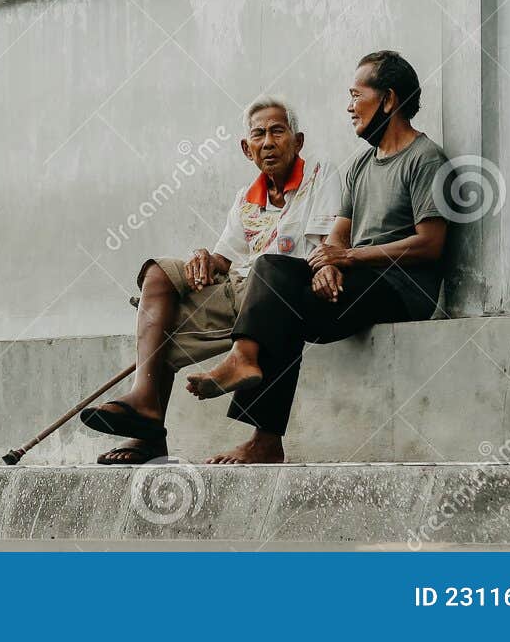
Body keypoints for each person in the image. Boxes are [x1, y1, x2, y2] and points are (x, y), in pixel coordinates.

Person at [185, 50, 451, 464]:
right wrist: (327, 265)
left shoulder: (424, 159)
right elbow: (338, 237)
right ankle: (266, 438)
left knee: (274, 276)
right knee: (273, 276)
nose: (349, 107)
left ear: (388, 99)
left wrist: (348, 259)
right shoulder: (360, 166)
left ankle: (244, 365)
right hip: (357, 282)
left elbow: (430, 245)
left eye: (355, 95)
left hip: (402, 289)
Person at [78, 97, 339, 464]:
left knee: (258, 270)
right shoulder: (245, 199)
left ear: (298, 141)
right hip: (238, 289)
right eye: (258, 134)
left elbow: (328, 247)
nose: (268, 142)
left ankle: (148, 426)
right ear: (245, 149)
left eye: (278, 131)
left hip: (282, 290)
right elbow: (223, 259)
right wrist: (203, 257)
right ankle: (146, 411)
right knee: (159, 278)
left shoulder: (321, 176)